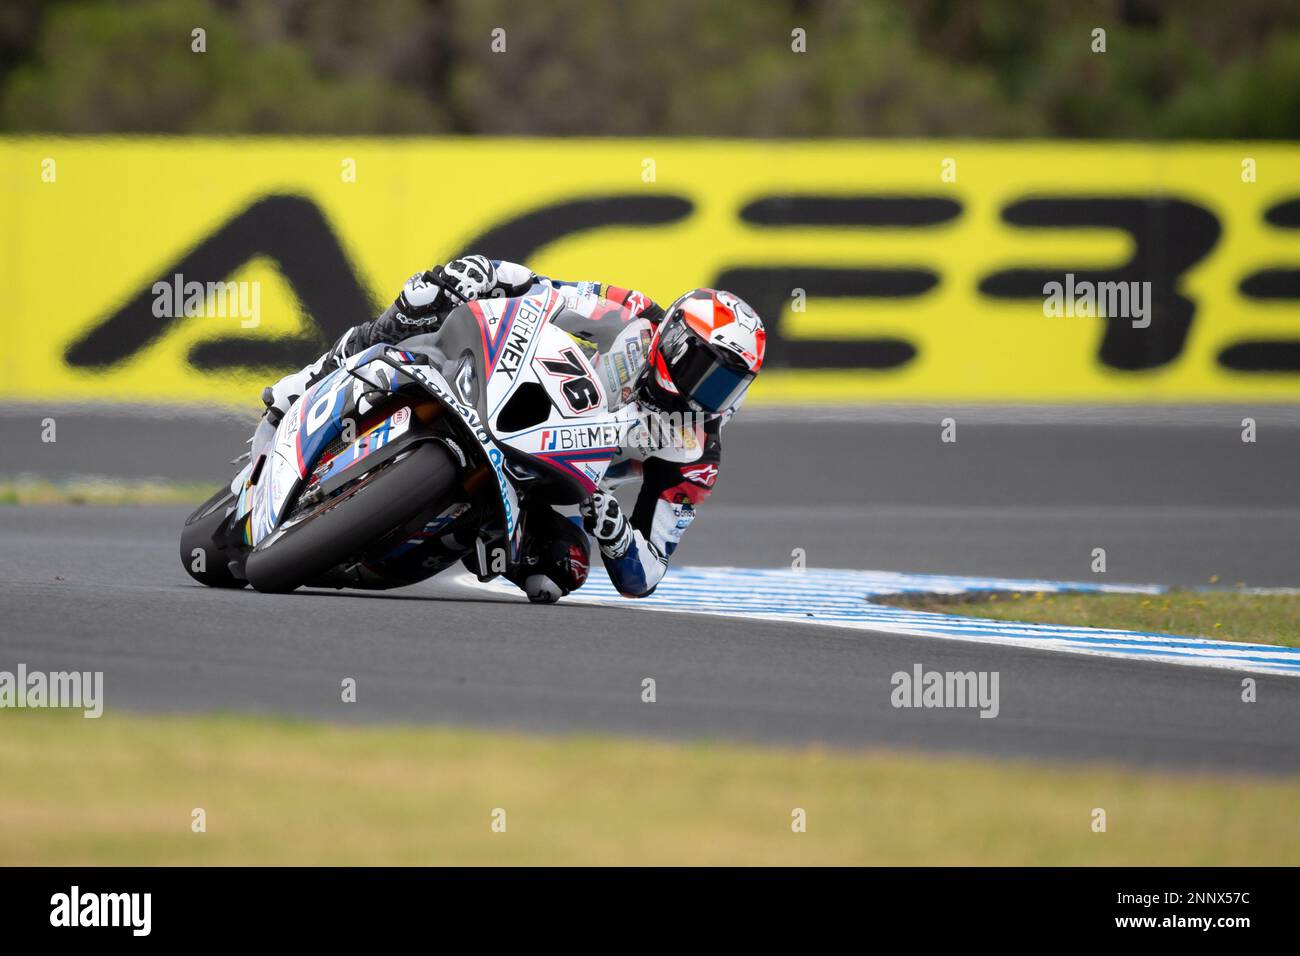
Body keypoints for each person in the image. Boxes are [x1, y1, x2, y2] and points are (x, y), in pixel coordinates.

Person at [263, 255, 766, 602]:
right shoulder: (631, 315)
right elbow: (541, 291)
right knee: (425, 297)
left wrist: (615, 533)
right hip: (512, 391)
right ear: (674, 340)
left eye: (727, 385)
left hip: (551, 477)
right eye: (704, 369)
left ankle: (453, 533)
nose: (707, 393)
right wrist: (483, 274)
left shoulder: (696, 451)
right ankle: (310, 381)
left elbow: (648, 572)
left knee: (563, 569)